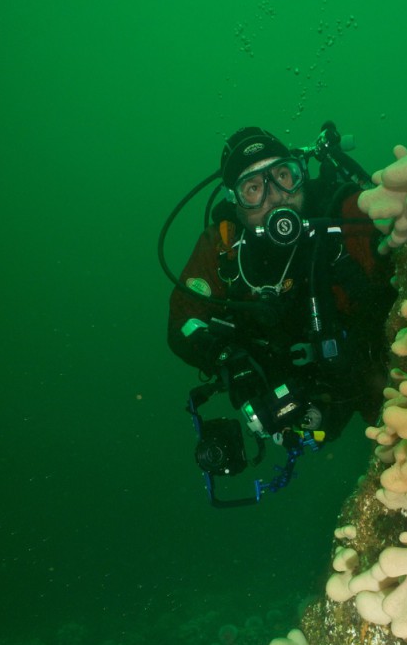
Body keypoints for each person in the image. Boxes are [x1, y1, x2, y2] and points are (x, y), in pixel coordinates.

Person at [167, 125, 395, 446]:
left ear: (299, 172)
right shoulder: (225, 247)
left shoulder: (343, 213)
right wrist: (229, 362)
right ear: (235, 202)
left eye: (283, 176)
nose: (275, 197)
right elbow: (181, 322)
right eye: (253, 189)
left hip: (376, 366)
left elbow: (400, 234)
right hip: (296, 388)